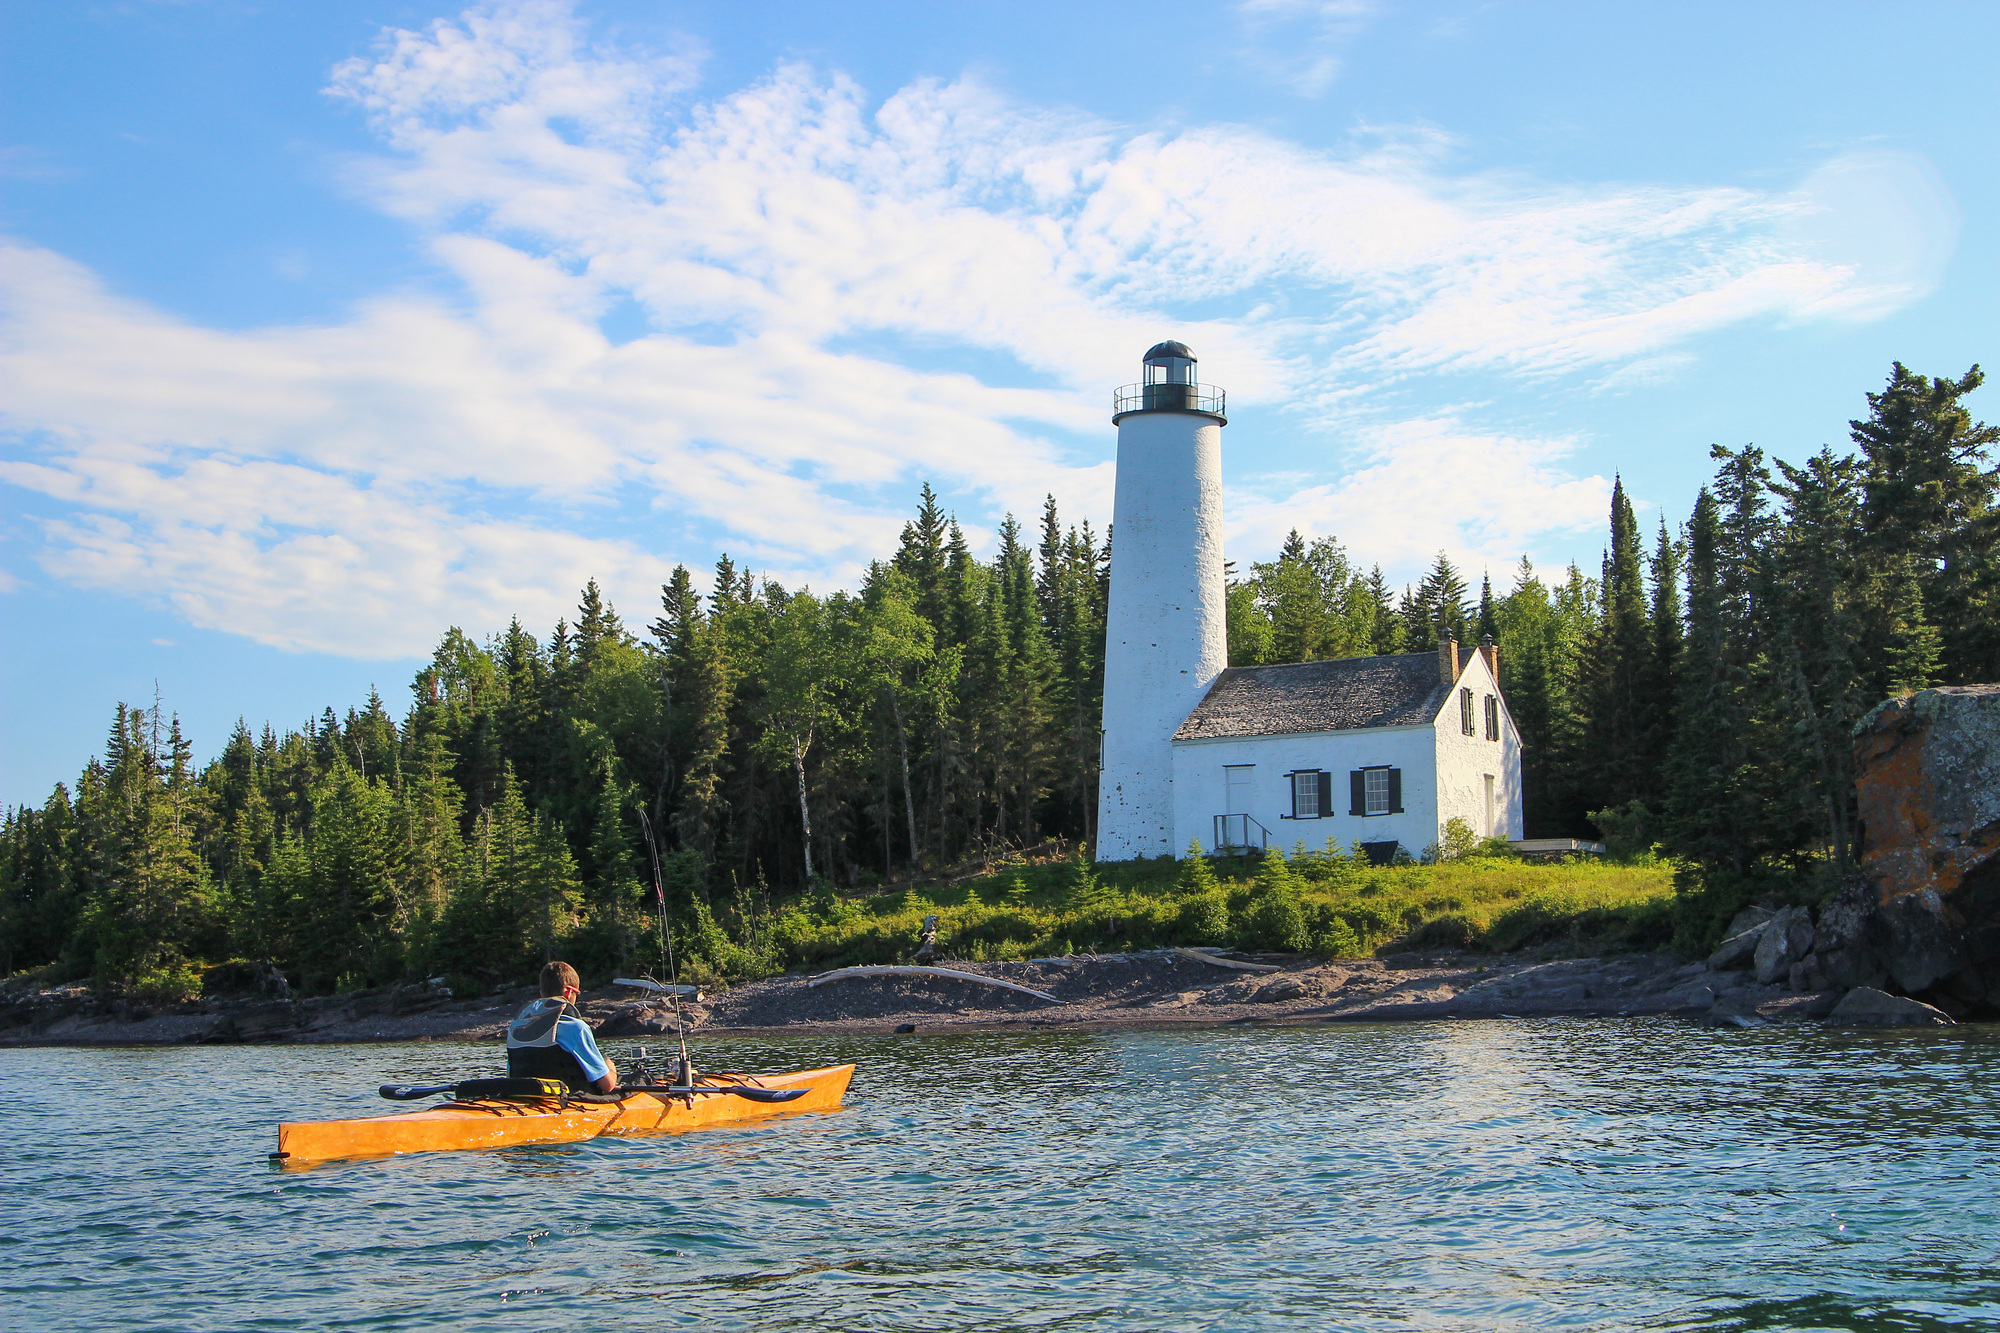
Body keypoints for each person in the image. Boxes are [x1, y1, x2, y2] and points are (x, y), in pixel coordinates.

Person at [506, 961, 619, 1093]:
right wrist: (610, 1068)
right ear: (569, 992)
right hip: (566, 1101)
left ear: (543, 992)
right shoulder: (576, 1027)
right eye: (577, 993)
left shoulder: (516, 1029)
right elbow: (608, 1085)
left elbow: (510, 1076)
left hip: (525, 1095)